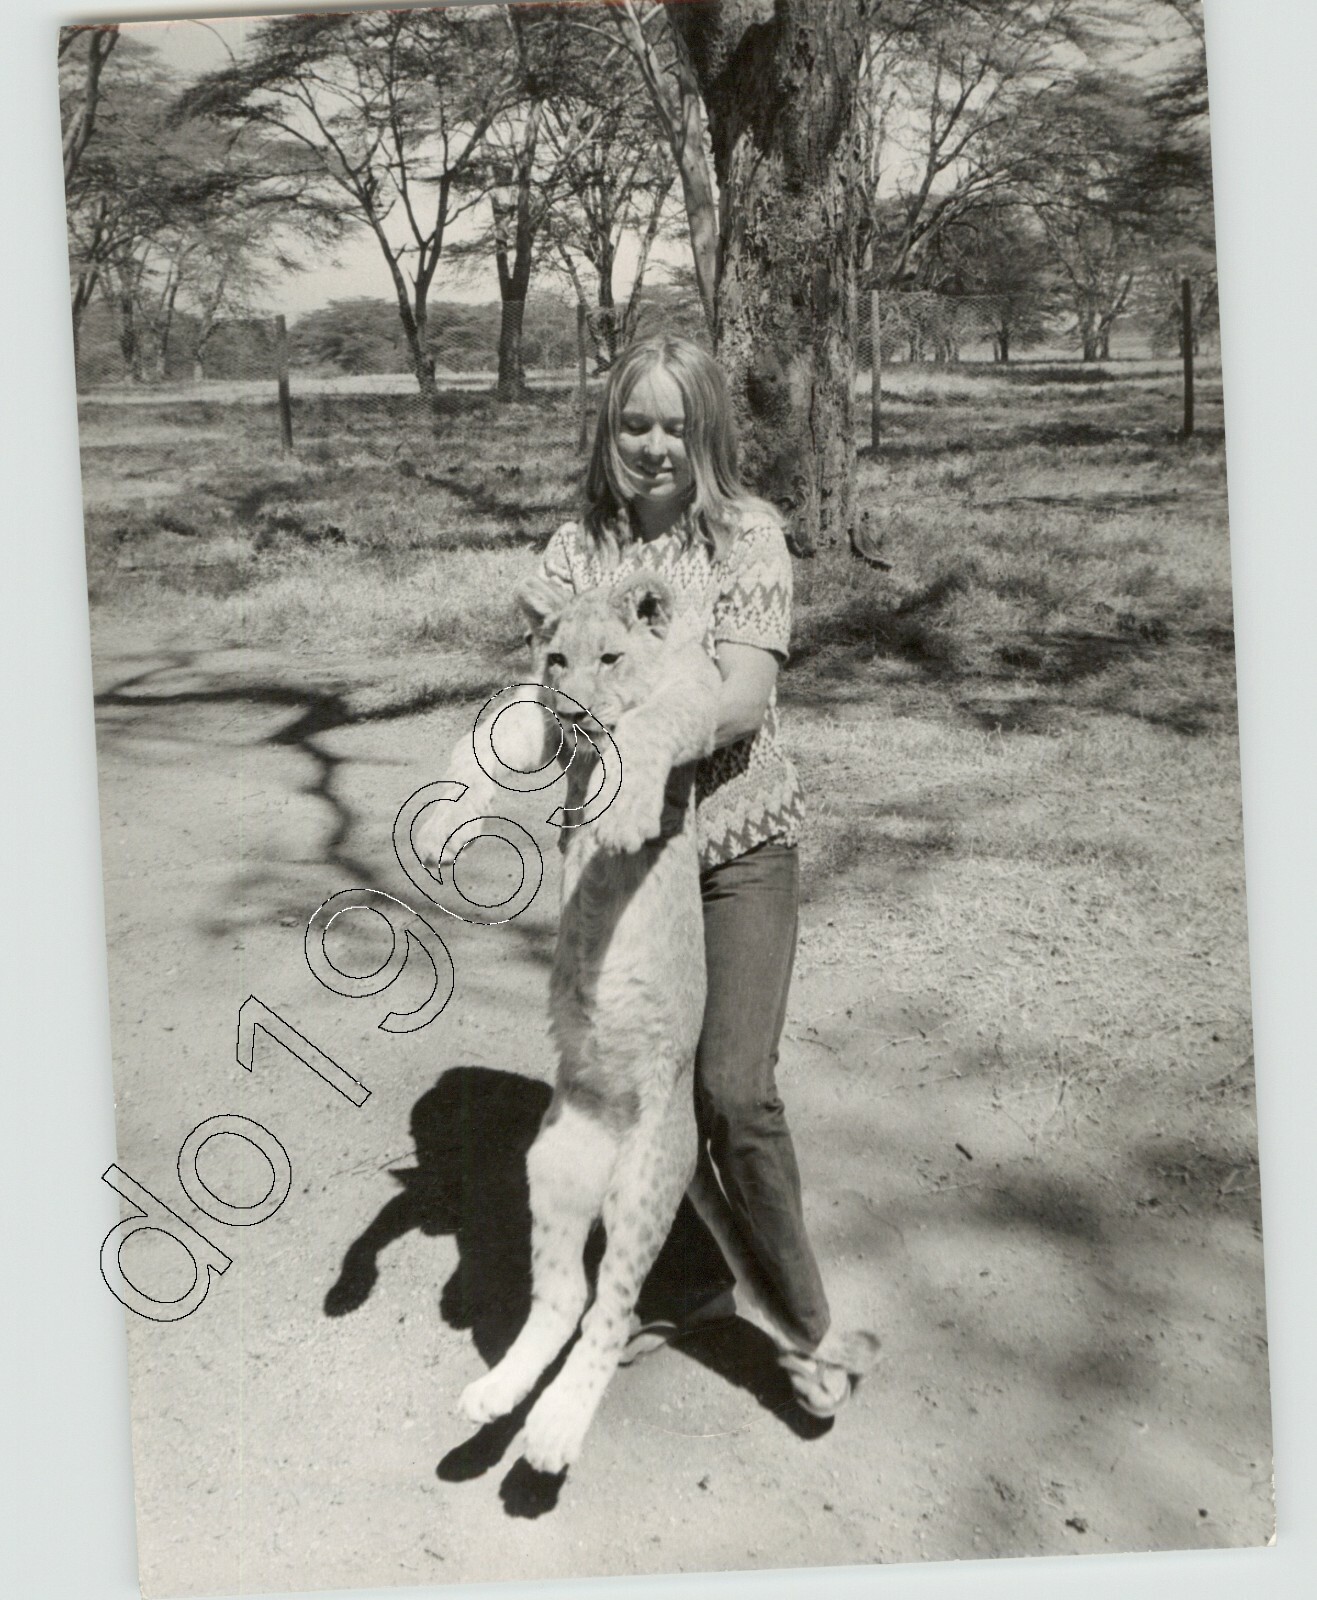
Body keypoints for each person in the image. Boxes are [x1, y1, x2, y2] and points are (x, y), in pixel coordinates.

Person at [529, 333, 852, 1418]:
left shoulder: (750, 536)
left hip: (737, 847)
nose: (655, 445)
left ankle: (809, 1326)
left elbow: (743, 699)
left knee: (732, 1092)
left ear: (707, 429)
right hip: (624, 864)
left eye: (676, 423)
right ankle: (696, 1279)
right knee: (633, 1091)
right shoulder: (576, 550)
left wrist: (644, 745)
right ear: (606, 431)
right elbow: (554, 697)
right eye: (633, 423)